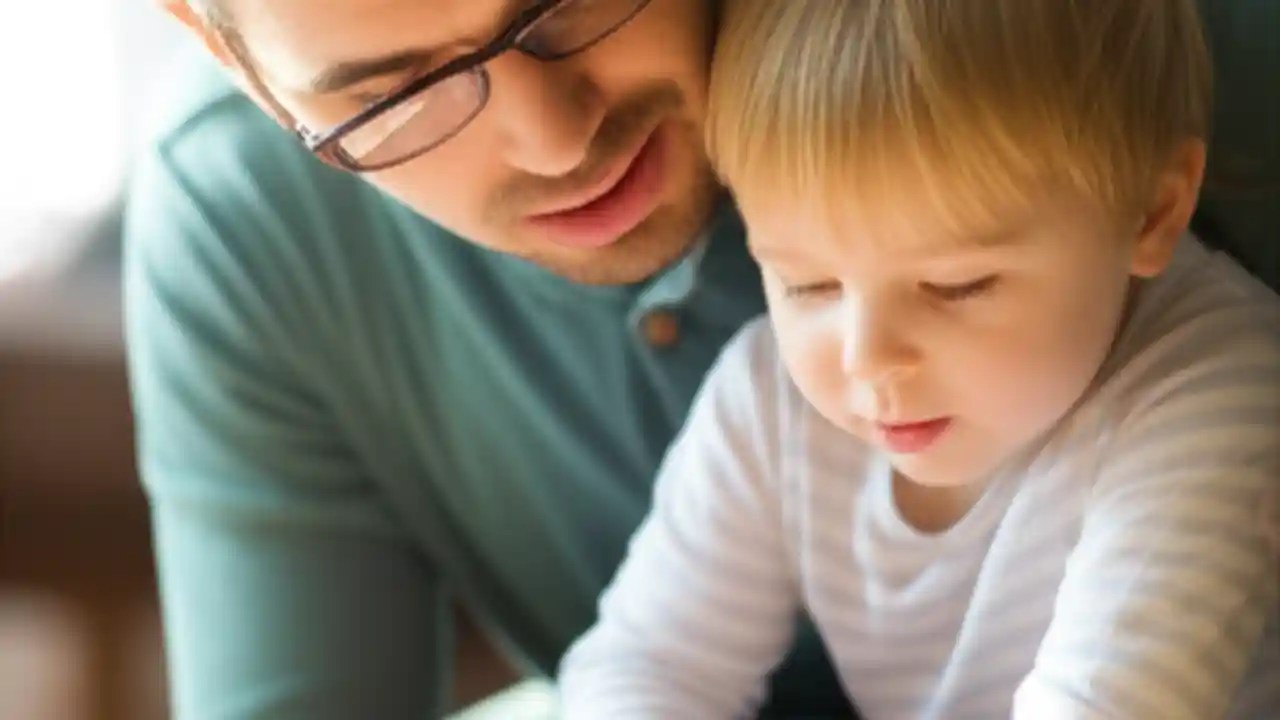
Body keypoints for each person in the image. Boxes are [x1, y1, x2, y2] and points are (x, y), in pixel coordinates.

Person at [125, 0, 854, 717]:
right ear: (231, 59)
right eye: (393, 96)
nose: (558, 143)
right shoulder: (244, 206)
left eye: (566, 3)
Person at [557, 0, 1280, 717]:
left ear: (1150, 211)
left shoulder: (1223, 392)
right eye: (809, 284)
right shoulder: (771, 397)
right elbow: (647, 660)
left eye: (954, 286)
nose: (866, 358)